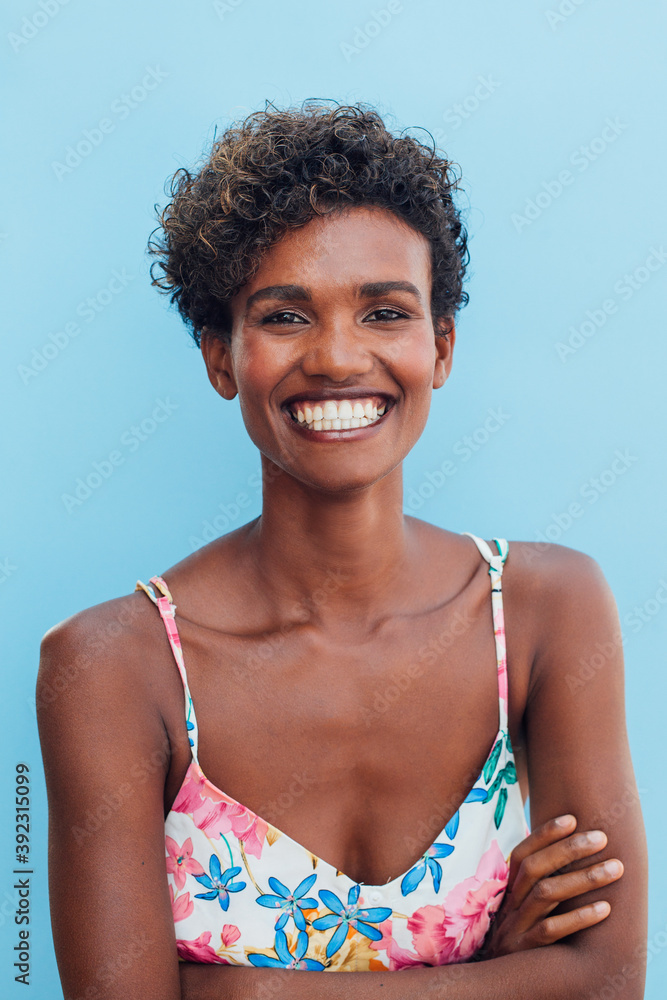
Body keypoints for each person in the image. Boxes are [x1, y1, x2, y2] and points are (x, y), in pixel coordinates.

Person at [37, 102, 647, 999]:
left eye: (384, 312)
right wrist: (496, 975)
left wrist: (248, 992)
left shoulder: (545, 610)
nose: (335, 357)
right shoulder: (112, 667)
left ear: (439, 346)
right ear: (220, 357)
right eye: (285, 316)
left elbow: (609, 981)